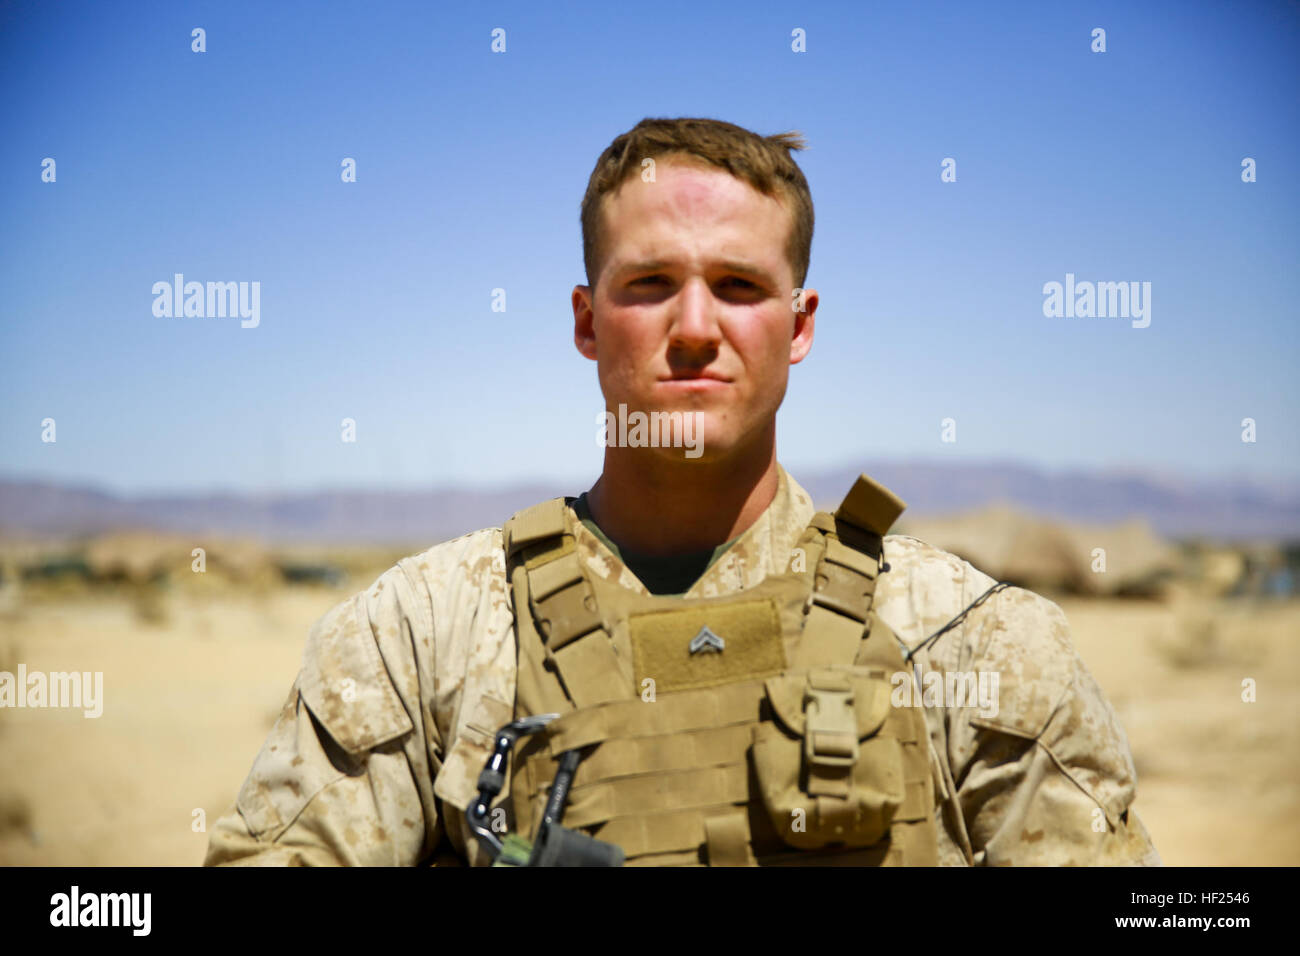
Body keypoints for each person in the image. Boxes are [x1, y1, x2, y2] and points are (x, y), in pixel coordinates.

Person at [204, 116, 1161, 867]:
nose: (695, 326)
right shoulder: (420, 636)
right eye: (650, 283)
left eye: (740, 285)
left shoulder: (974, 640)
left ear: (799, 326)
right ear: (586, 321)